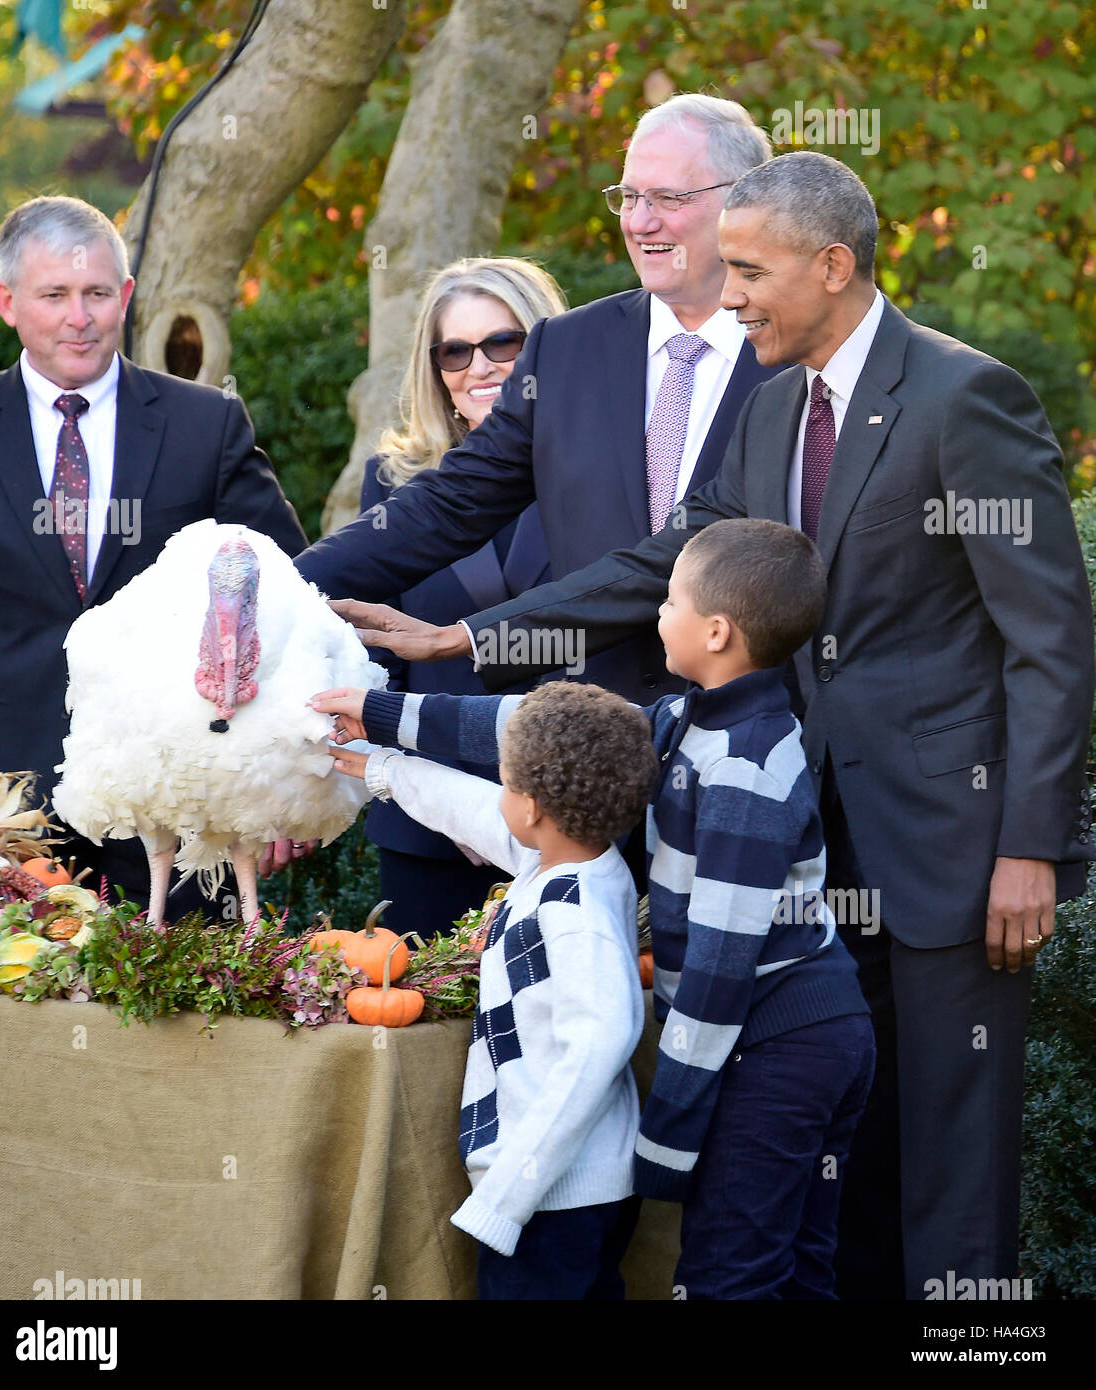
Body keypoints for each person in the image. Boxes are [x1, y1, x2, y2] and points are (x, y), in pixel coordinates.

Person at [332, 153, 1096, 1301]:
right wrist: (469, 639)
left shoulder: (963, 397)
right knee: (840, 1157)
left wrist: (1028, 847)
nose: (725, 295)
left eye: (748, 271)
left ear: (831, 267)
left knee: (949, 1161)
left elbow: (1050, 639)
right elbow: (661, 563)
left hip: (950, 847)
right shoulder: (771, 402)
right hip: (803, 859)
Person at [323, 517, 876, 1299]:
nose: (657, 611)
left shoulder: (744, 768)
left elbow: (719, 974)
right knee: (797, 1266)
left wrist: (672, 1142)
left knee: (732, 1275)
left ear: (716, 631)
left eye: (672, 600)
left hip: (783, 1044)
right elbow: (543, 733)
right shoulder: (691, 719)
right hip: (789, 1034)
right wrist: (383, 718)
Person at [295, 93, 779, 708]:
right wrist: (282, 584)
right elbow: (453, 500)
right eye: (628, 197)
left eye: (668, 198)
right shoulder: (568, 347)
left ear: (743, 201)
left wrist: (470, 639)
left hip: (761, 735)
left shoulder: (795, 354)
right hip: (591, 743)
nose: (639, 221)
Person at [0, 195, 307, 917]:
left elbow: (289, 598)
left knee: (185, 1019)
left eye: (95, 293)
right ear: (6, 301)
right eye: (53, 295)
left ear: (125, 296)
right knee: (6, 1024)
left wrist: (286, 777)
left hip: (179, 797)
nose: (78, 317)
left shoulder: (204, 424)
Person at [331, 682, 657, 1300]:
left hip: (552, 1198)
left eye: (508, 782)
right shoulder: (572, 862)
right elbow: (475, 809)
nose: (499, 794)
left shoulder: (574, 913)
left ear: (534, 807)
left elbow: (600, 1043)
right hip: (564, 1188)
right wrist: (384, 768)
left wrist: (506, 1199)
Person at [309, 259, 564, 940]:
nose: (479, 366)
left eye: (503, 343)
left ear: (543, 345)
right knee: (422, 1028)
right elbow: (377, 662)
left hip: (571, 809)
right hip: (429, 824)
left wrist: (526, 799)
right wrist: (454, 803)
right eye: (455, 349)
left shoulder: (594, 473)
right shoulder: (393, 485)